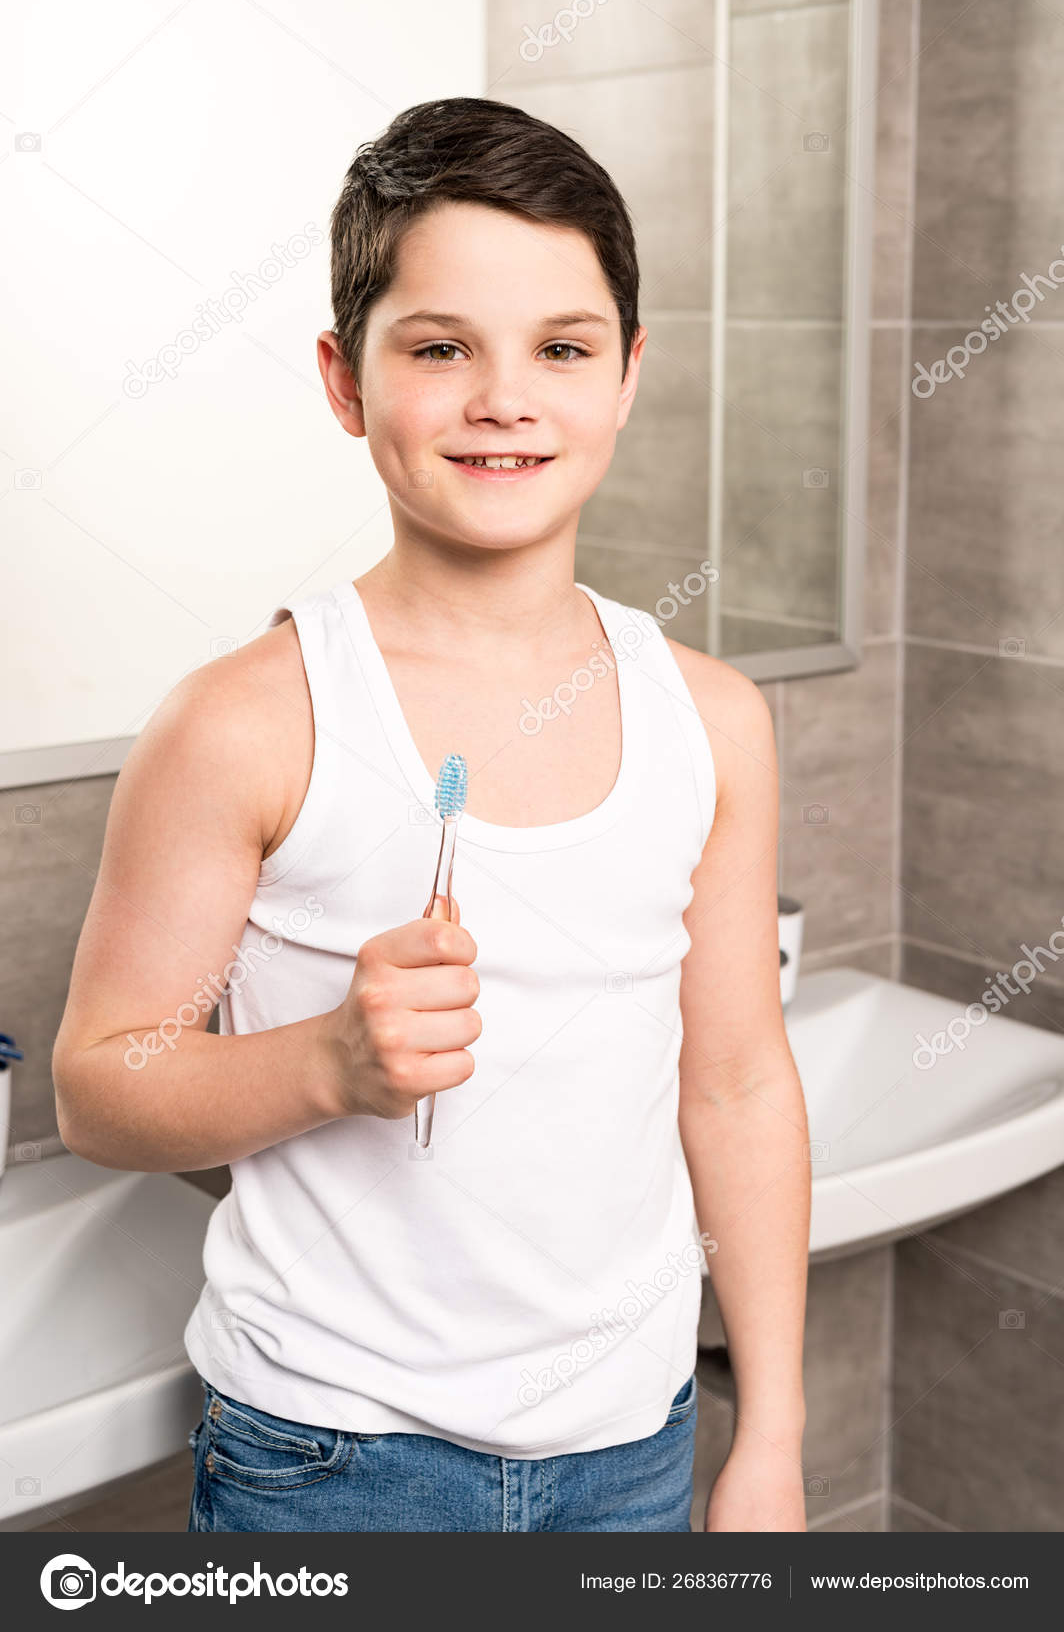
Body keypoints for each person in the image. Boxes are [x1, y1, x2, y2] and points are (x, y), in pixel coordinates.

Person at [52, 96, 810, 1534]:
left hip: (635, 1446)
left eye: (563, 350)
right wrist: (329, 1062)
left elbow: (739, 1084)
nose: (504, 399)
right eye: (441, 347)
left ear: (629, 375)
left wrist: (768, 1428)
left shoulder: (714, 721)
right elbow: (100, 1085)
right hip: (331, 1466)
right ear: (346, 381)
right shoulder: (246, 719)